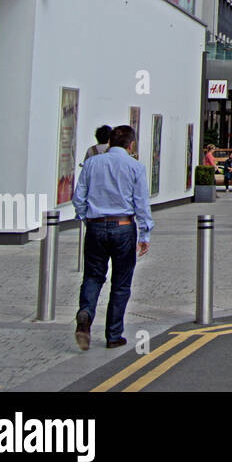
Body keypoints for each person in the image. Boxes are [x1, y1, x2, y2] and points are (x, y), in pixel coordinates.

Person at [72, 124, 154, 350]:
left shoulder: (91, 164)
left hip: (96, 226)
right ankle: (114, 334)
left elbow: (79, 196)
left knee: (93, 276)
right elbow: (141, 203)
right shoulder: (135, 167)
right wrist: (145, 233)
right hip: (123, 227)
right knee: (121, 282)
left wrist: (85, 217)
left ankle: (86, 313)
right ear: (131, 144)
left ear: (109, 142)